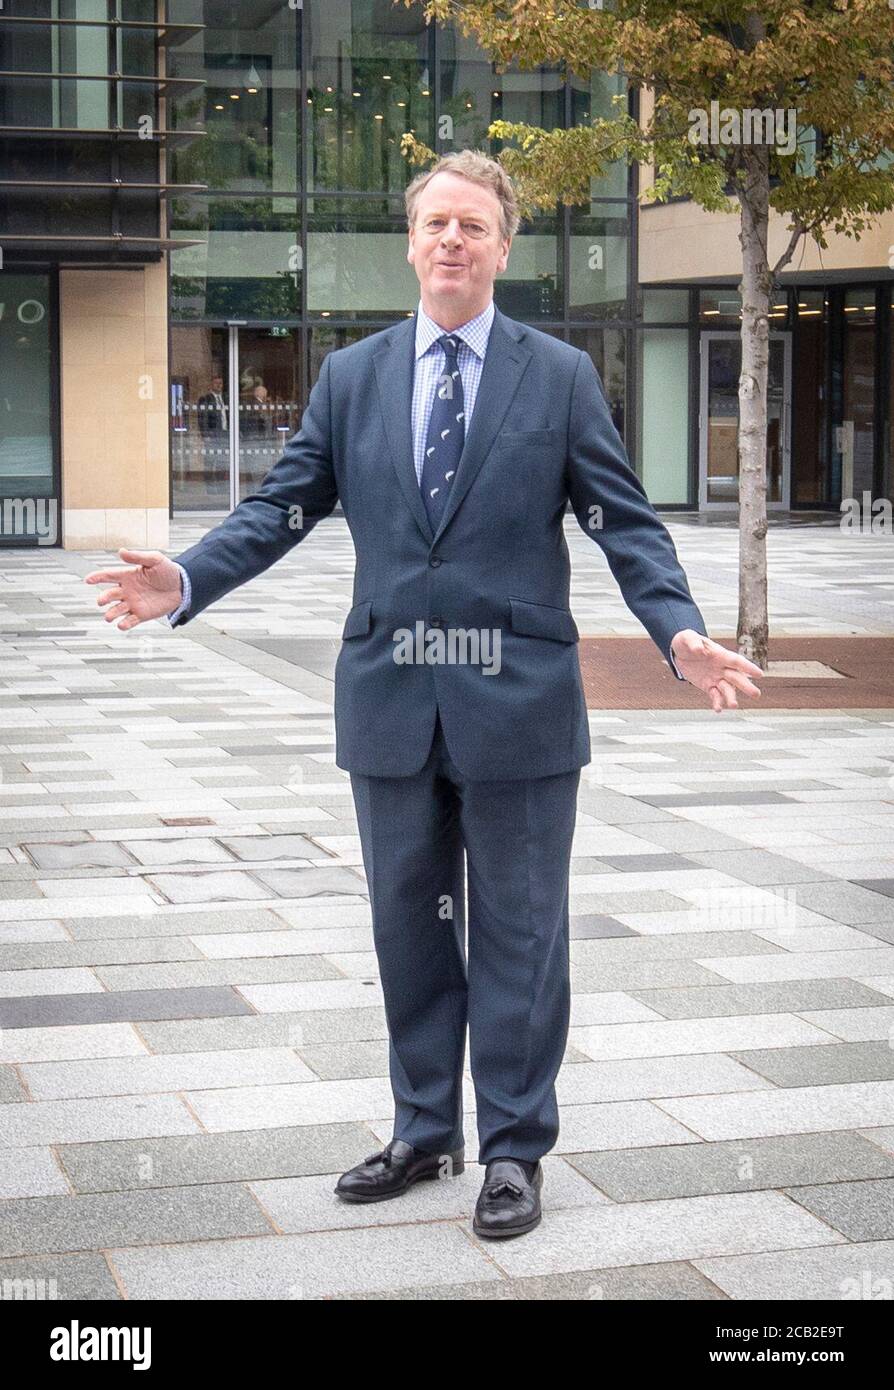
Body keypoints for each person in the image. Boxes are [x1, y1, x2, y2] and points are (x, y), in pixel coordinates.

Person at [85, 150, 762, 1241]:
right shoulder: (354, 378)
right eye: (436, 222)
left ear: (504, 248)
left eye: (473, 226)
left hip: (521, 705)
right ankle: (421, 1128)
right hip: (390, 703)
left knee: (517, 932)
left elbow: (622, 520)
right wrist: (190, 574)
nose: (452, 240)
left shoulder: (560, 377)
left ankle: (513, 1149)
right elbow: (283, 504)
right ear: (412, 242)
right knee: (409, 926)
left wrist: (676, 628)